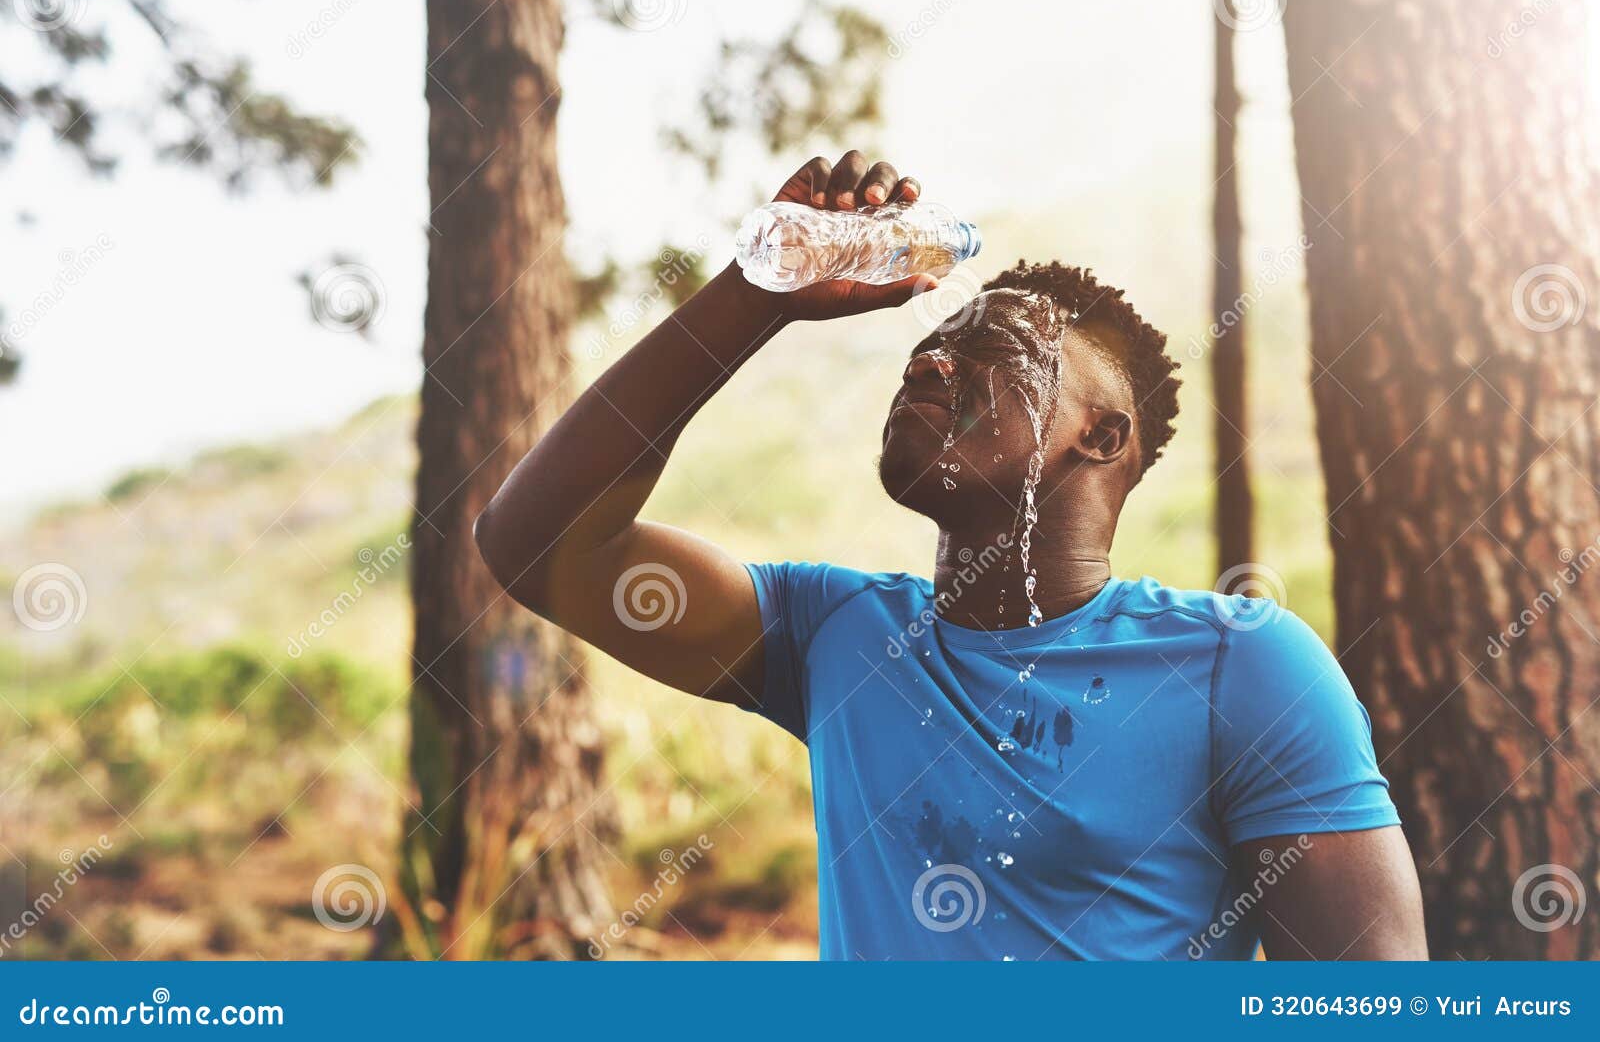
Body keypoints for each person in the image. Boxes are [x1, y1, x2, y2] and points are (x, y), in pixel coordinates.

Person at [474, 152, 1428, 960]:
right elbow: (537, 545)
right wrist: (754, 295)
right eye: (927, 347)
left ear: (1101, 438)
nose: (931, 364)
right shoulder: (833, 640)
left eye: (993, 348)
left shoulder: (1243, 666)